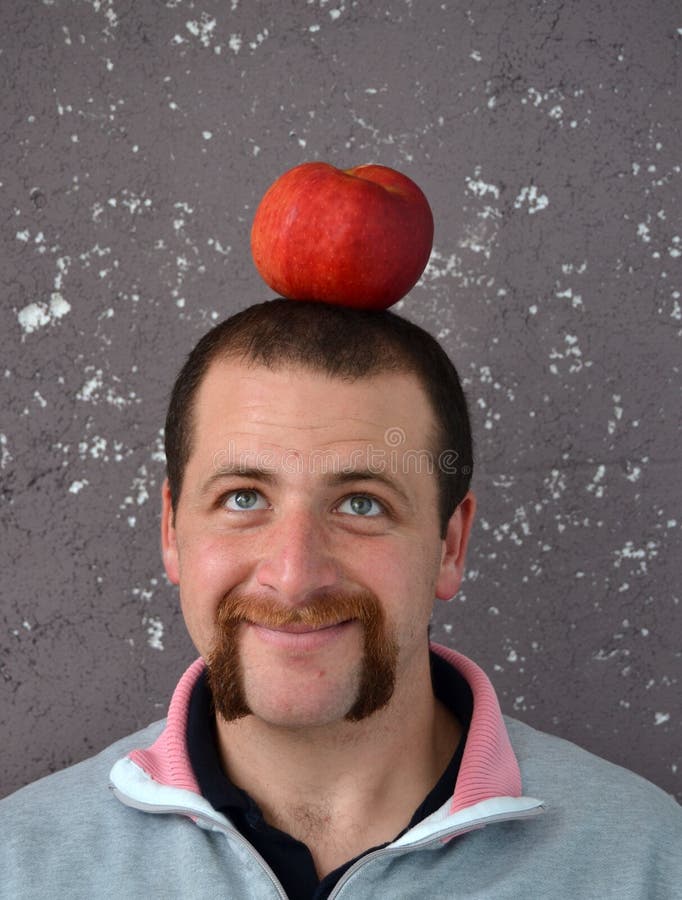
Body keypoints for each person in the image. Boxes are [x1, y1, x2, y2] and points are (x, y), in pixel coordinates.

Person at [2, 299, 680, 899]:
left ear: (449, 546)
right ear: (172, 532)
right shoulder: (21, 866)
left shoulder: (652, 864)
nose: (295, 576)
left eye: (362, 503)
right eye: (243, 498)